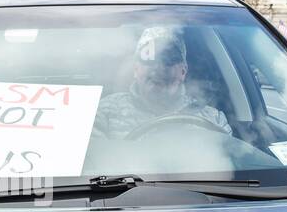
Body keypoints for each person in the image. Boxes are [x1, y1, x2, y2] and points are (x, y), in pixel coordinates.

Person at [94, 27, 232, 139]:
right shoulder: (104, 113)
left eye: (168, 60)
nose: (159, 68)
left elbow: (231, 168)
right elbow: (93, 165)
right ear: (136, 70)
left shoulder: (213, 120)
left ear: (183, 71)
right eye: (149, 59)